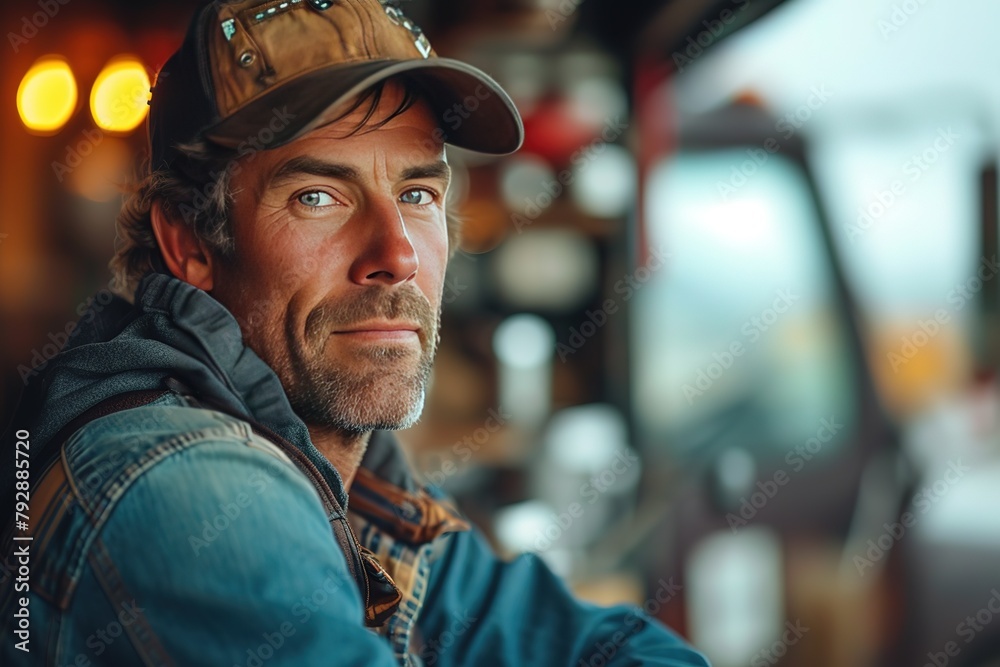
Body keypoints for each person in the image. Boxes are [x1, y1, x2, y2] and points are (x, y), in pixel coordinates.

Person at [0, 1, 709, 665]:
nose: (397, 254)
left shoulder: (348, 468)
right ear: (191, 244)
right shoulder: (184, 490)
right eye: (318, 195)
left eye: (417, 194)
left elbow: (582, 640)